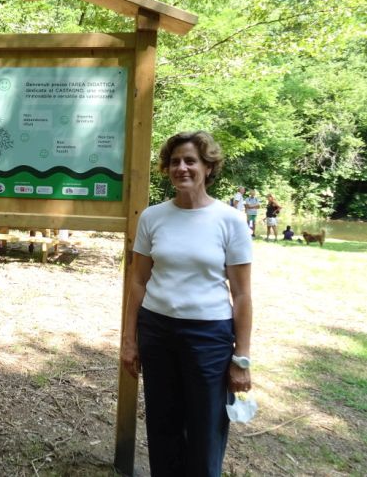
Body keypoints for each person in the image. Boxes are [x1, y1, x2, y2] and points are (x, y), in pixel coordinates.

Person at [120, 131, 252, 477]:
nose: (182, 168)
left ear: (208, 167)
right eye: (175, 161)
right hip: (157, 331)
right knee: (162, 424)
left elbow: (241, 295)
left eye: (190, 161)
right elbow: (137, 281)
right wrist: (129, 340)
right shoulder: (152, 217)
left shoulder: (230, 221)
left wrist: (241, 359)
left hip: (209, 337)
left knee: (206, 428)